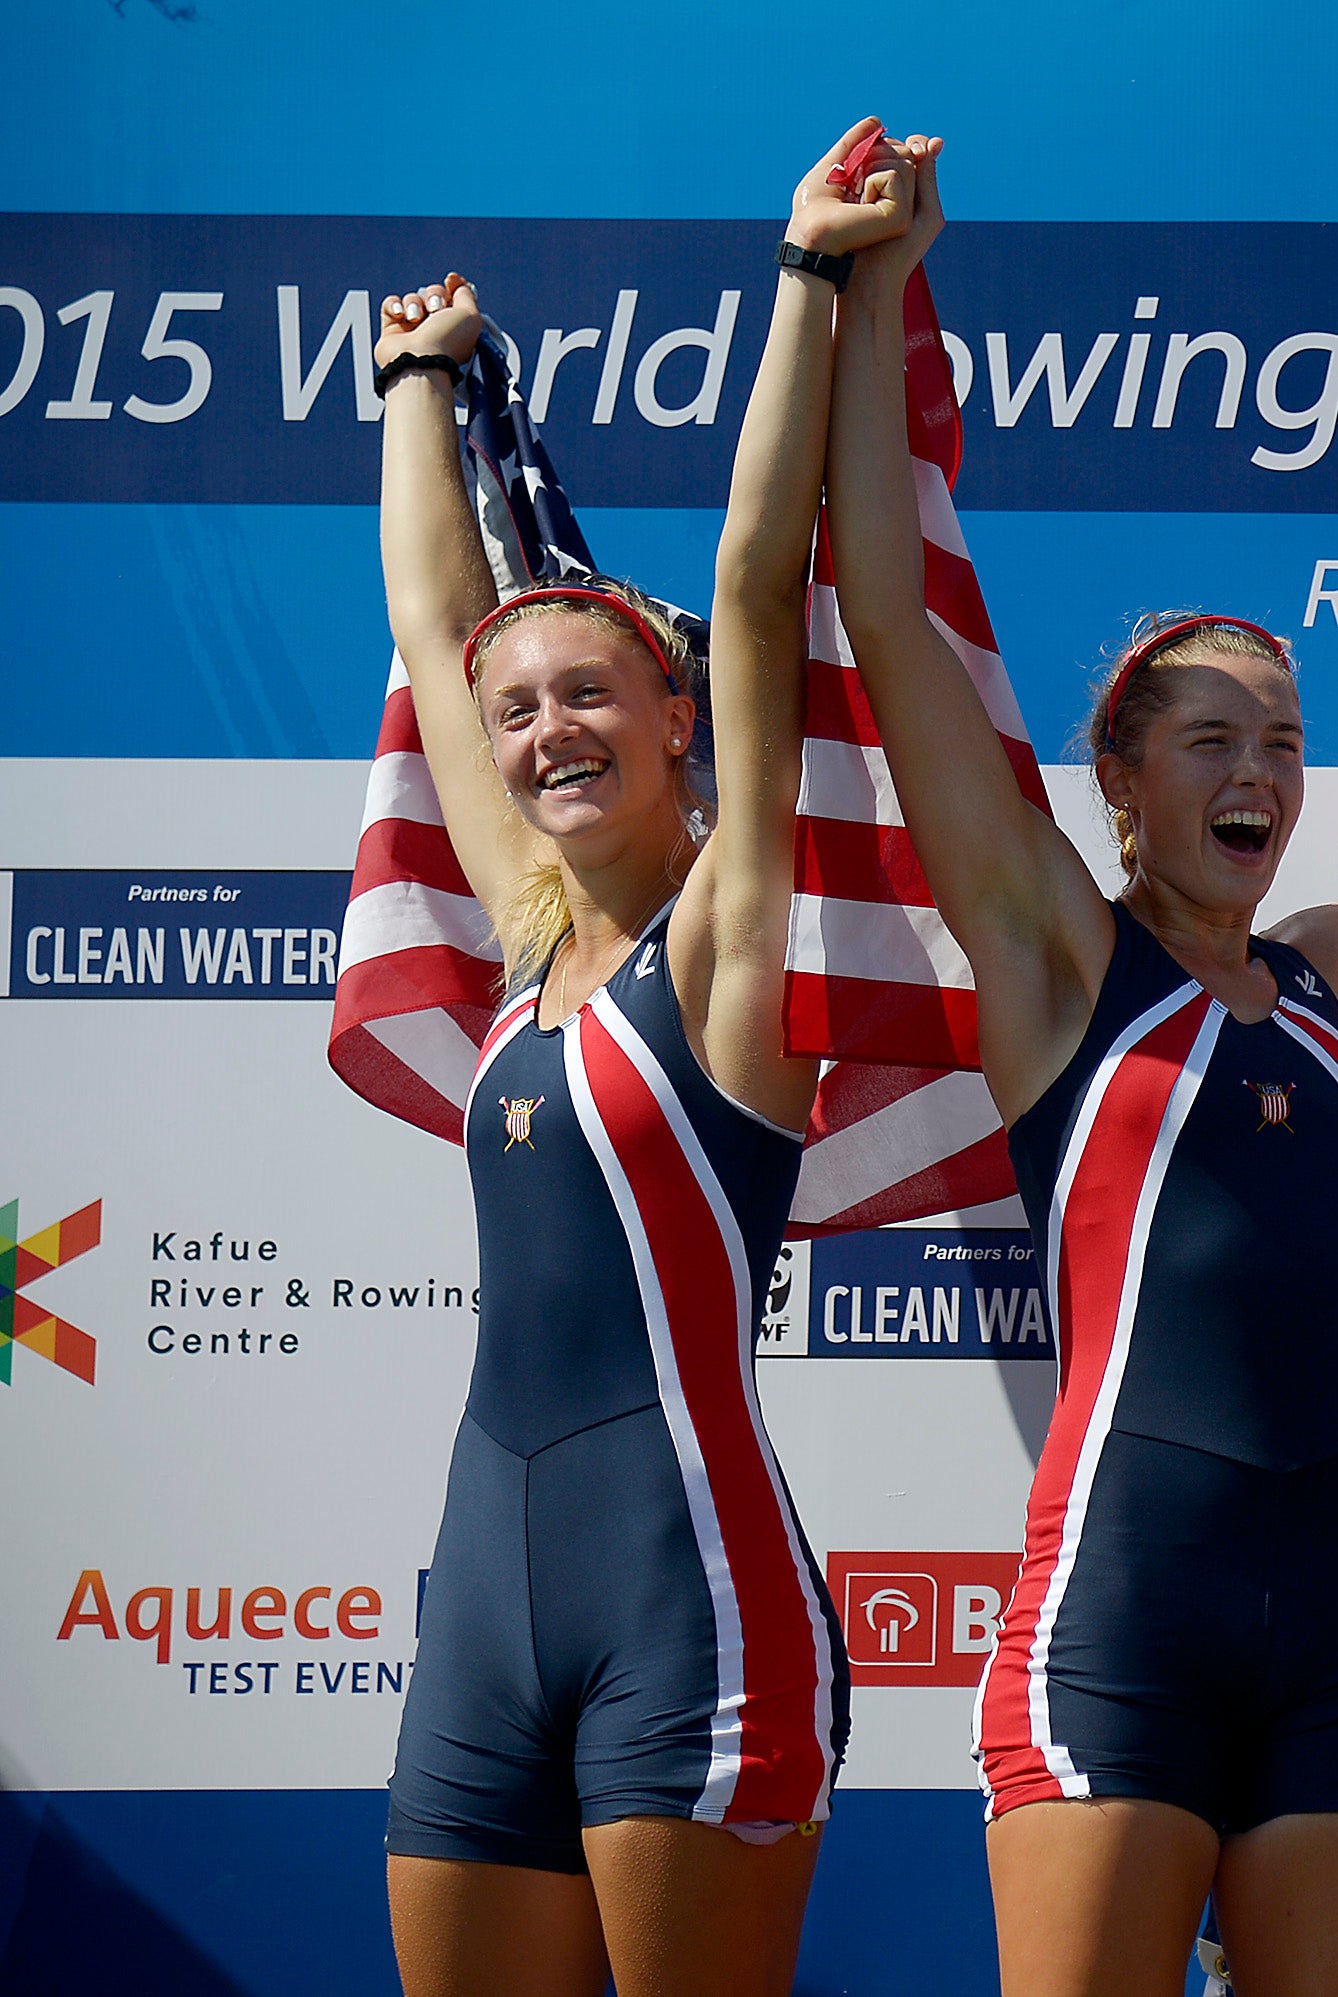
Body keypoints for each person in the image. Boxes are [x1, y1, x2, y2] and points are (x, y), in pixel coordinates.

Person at [819, 140, 1338, 1997]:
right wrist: (859, 293)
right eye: (1212, 738)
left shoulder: (1321, 982)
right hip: (1122, 1612)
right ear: (1119, 784)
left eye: (1281, 741)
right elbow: (888, 621)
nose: (1259, 772)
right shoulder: (1063, 957)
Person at [369, 118, 911, 1997]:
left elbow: (761, 586)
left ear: (677, 724)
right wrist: (417, 387)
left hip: (693, 1600)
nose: (540, 732)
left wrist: (806, 275)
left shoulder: (728, 956)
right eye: (521, 716)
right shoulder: (525, 952)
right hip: (484, 1614)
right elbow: (437, 630)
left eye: (589, 692)